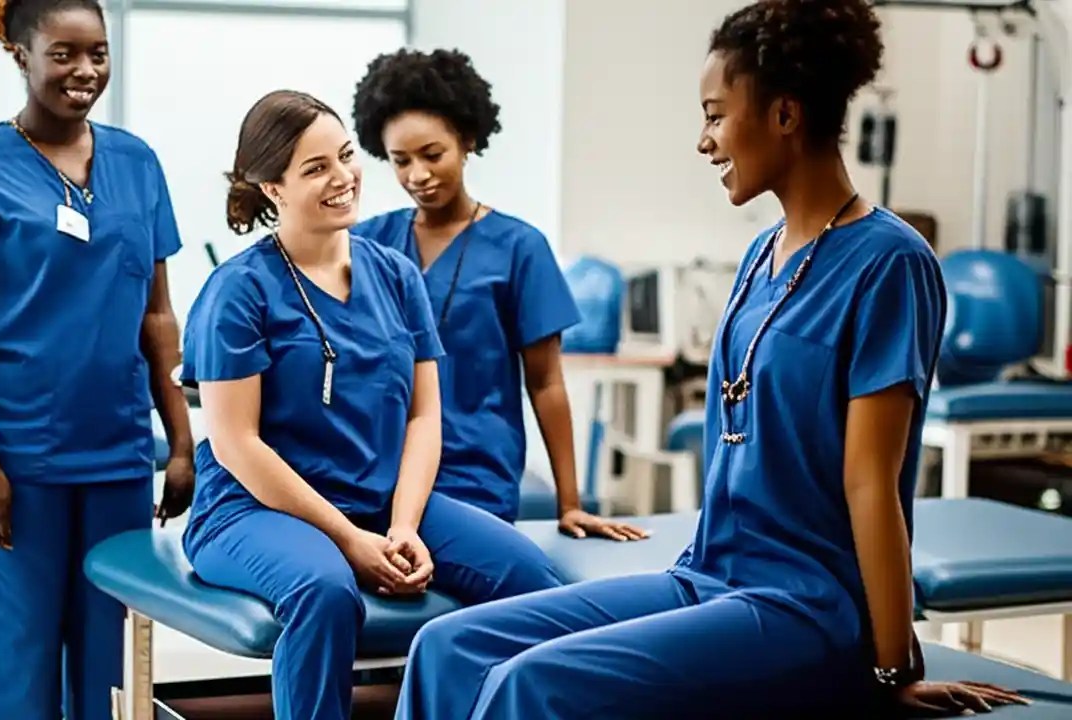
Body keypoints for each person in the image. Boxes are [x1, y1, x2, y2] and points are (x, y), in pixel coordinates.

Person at [394, 2, 1030, 718]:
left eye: (715, 115)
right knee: (448, 646)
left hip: (804, 602)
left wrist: (891, 668)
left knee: (530, 683)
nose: (703, 142)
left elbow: (871, 485)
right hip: (708, 573)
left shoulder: (890, 264)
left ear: (785, 115)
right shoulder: (762, 255)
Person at [179, 89, 564, 720]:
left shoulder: (394, 274)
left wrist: (405, 525)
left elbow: (422, 415)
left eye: (346, 156)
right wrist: (350, 540)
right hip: (250, 511)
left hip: (383, 500)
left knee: (529, 576)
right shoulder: (238, 292)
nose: (343, 178)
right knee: (325, 591)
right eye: (315, 168)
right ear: (272, 188)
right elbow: (235, 444)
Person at [0, 0, 194, 717]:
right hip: (16, 459)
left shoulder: (138, 162)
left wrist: (182, 440)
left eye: (97, 52)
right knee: (22, 657)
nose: (85, 70)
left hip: (117, 454)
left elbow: (156, 314)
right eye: (63, 53)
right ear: (20, 54)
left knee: (107, 663)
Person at [350, 49, 646, 540]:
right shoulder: (367, 243)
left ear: (467, 141)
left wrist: (568, 504)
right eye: (400, 161)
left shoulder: (520, 248)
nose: (417, 175)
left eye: (432, 155)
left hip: (473, 479)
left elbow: (547, 383)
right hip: (377, 475)